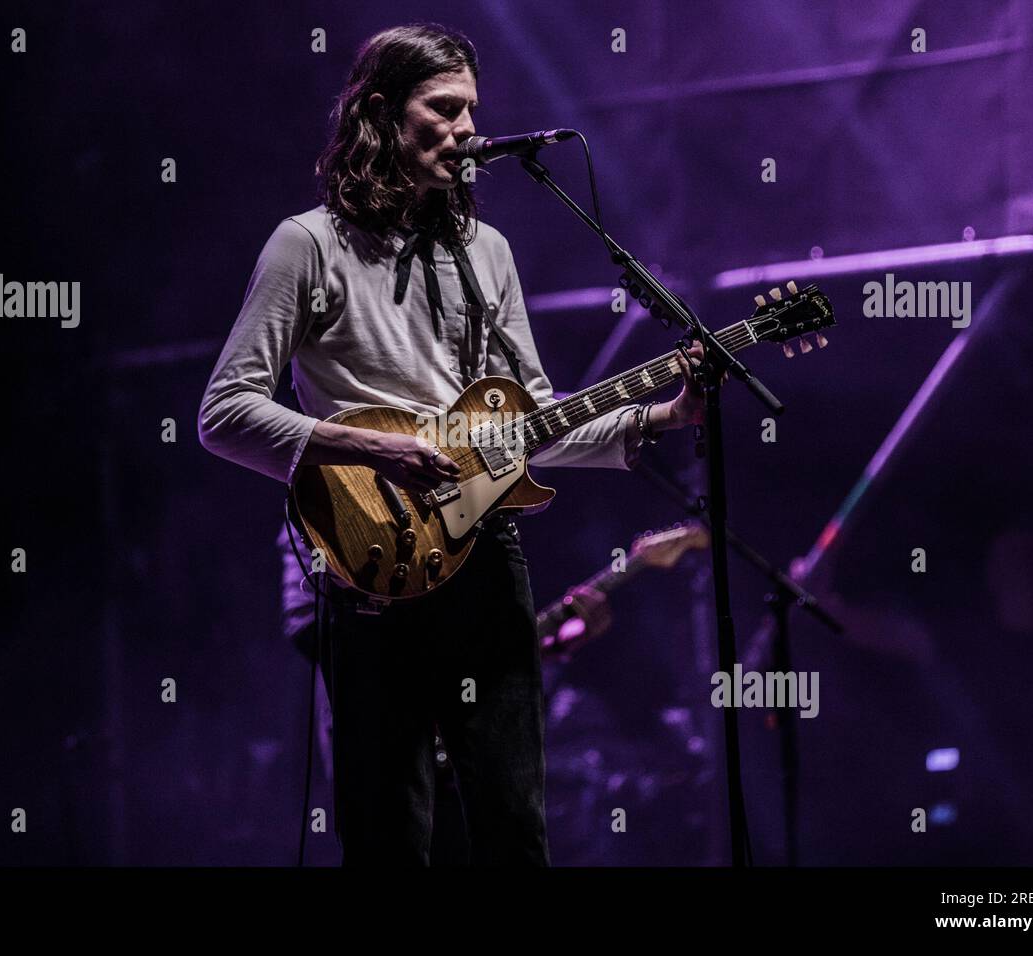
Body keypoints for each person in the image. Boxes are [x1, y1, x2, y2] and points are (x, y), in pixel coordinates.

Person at [199, 22, 704, 865]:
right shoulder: (308, 244)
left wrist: (665, 414)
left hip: (485, 549)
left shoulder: (487, 252)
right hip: (369, 556)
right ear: (379, 112)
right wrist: (371, 449)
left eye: (474, 110)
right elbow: (224, 412)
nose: (470, 129)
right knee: (390, 826)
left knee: (513, 818)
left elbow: (535, 421)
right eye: (446, 109)